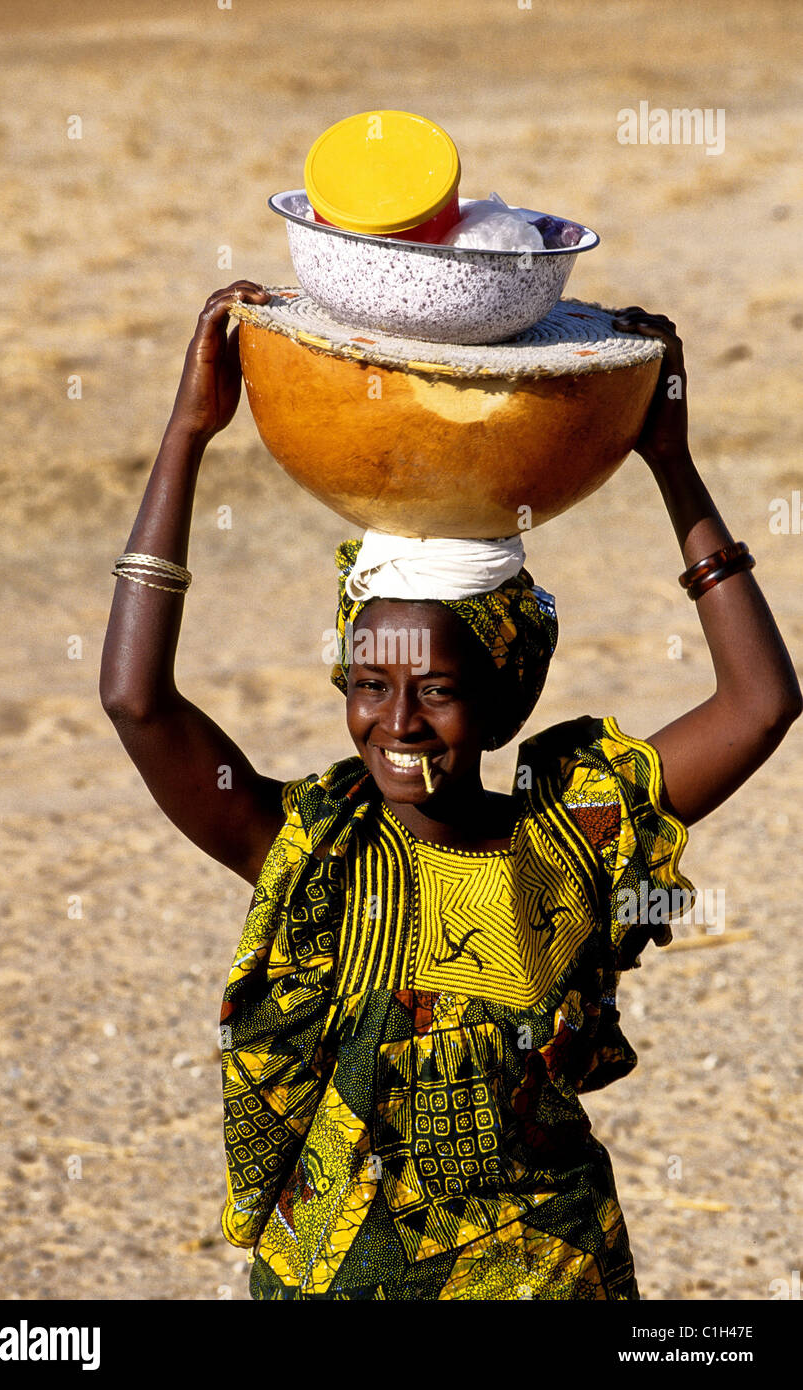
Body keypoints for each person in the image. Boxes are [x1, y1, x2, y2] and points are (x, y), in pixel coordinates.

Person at [100, 280, 801, 1300]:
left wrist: (670, 463)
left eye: (434, 689)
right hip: (331, 1277)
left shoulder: (570, 834)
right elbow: (135, 700)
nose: (396, 724)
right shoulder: (313, 847)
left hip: (544, 1272)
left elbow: (760, 701)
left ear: (505, 696)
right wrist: (186, 436)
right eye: (368, 685)